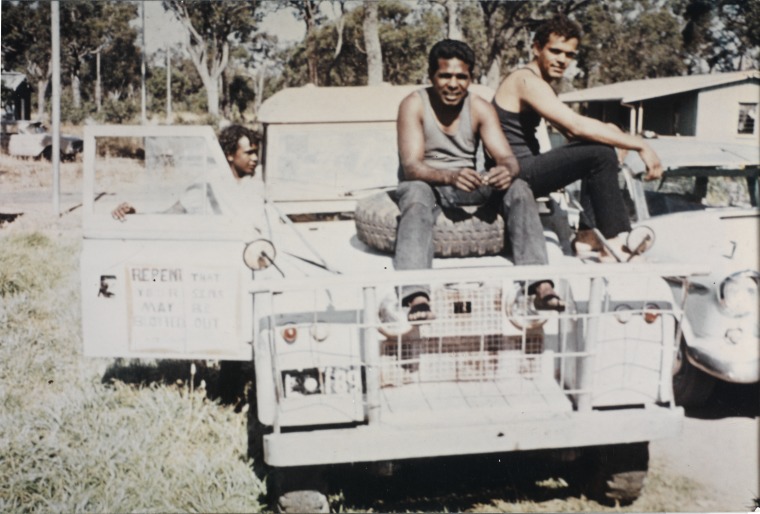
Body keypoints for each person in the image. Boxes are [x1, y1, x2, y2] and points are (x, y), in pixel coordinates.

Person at [395, 39, 563, 321]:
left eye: (461, 77)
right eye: (445, 76)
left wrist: (506, 170)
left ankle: (540, 284)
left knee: (519, 187)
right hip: (429, 182)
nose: (453, 84)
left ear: (471, 78)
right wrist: (449, 175)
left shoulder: (481, 107)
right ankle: (417, 296)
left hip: (469, 182)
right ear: (431, 77)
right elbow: (411, 167)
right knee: (415, 195)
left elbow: (506, 157)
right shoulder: (414, 104)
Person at [492, 15, 663, 259]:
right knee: (599, 153)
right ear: (537, 48)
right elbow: (574, 127)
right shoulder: (525, 80)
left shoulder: (538, 83)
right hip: (511, 172)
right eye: (556, 51)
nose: (562, 60)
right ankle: (616, 237)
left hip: (524, 169)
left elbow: (574, 135)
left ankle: (586, 237)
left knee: (599, 146)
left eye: (569, 55)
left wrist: (613, 133)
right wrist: (638, 144)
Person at [111, 124, 259, 221]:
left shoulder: (259, 182)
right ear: (229, 155)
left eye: (256, 152)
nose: (255, 158)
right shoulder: (209, 182)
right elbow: (171, 215)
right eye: (249, 153)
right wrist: (134, 216)